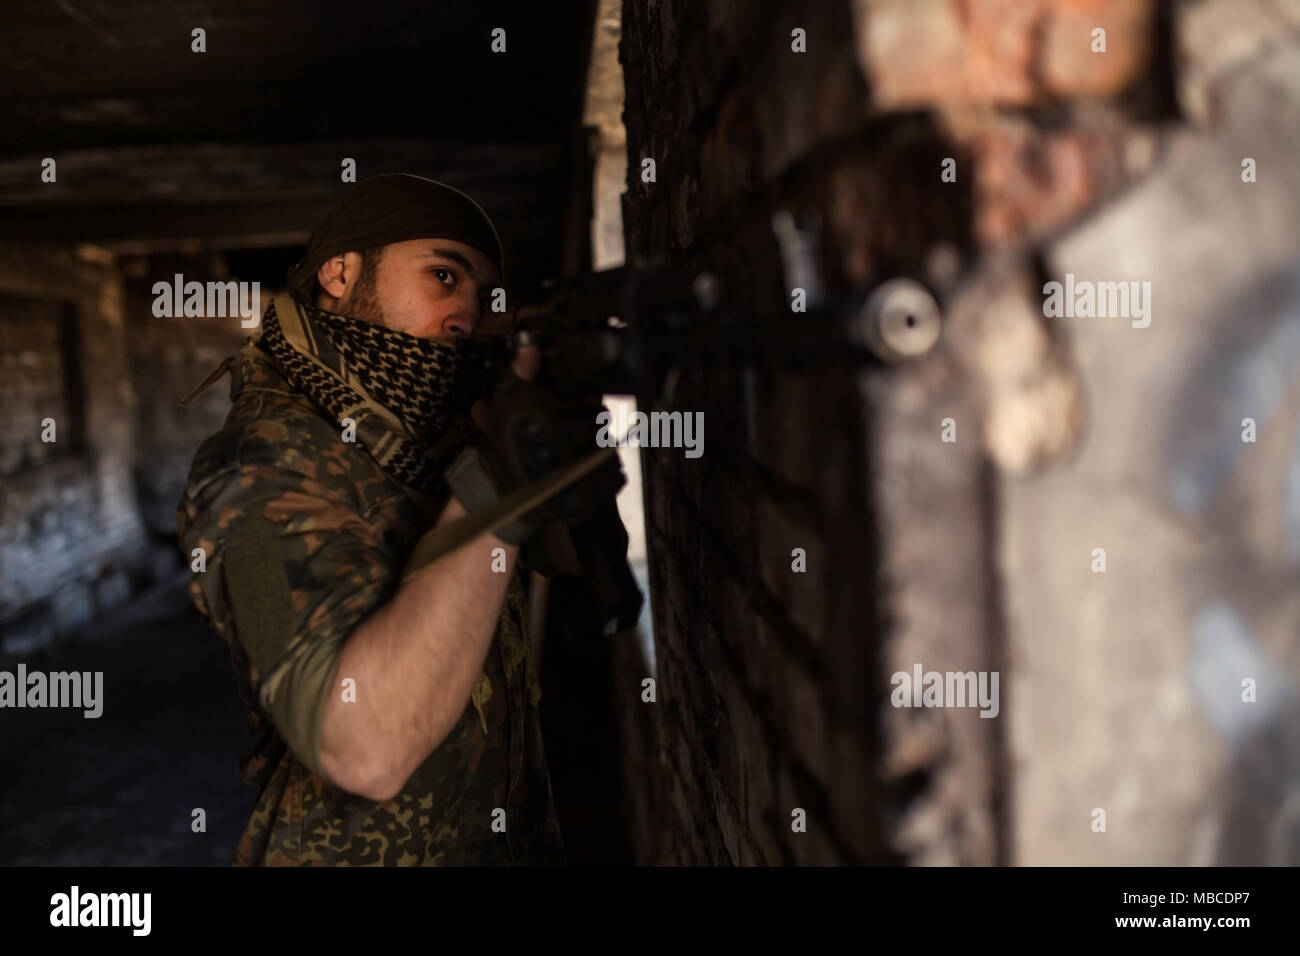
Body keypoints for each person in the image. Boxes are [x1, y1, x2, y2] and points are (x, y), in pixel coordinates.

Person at [175, 173, 569, 865]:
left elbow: (561, 563)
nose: (465, 315)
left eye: (482, 296)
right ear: (339, 272)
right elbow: (362, 747)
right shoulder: (247, 472)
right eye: (443, 275)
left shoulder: (422, 441)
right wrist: (498, 476)